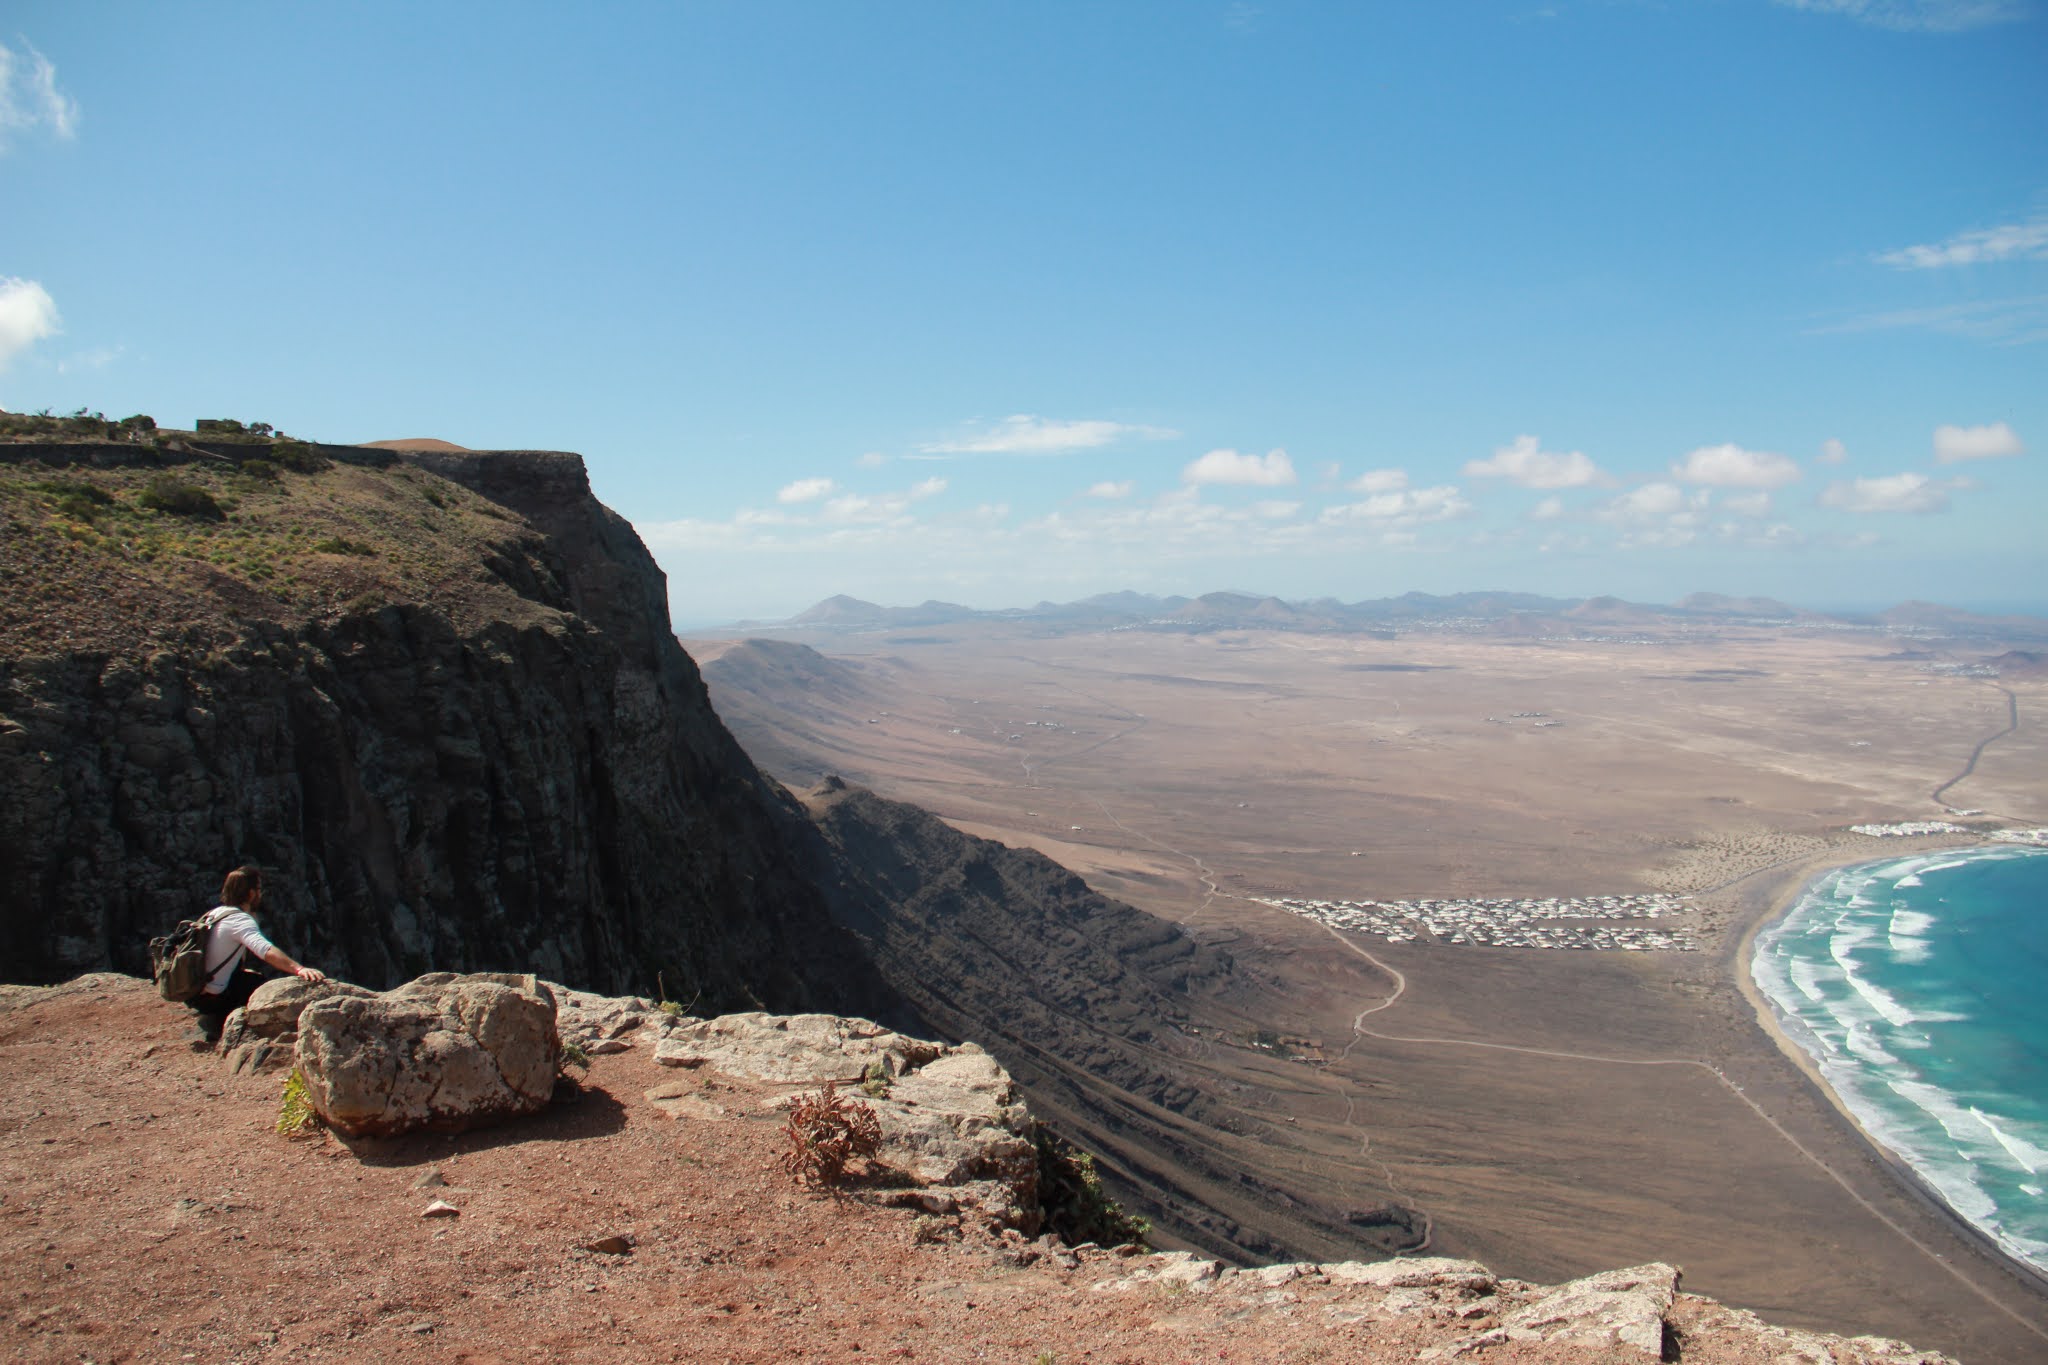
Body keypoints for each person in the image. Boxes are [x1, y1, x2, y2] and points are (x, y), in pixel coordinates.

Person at [189, 865, 326, 1042]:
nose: (261, 894)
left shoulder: (215, 914)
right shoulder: (240, 920)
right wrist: (298, 969)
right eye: (259, 889)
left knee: (249, 978)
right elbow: (266, 951)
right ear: (251, 893)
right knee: (263, 990)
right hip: (213, 998)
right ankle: (233, 1030)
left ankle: (217, 1021)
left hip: (195, 992)